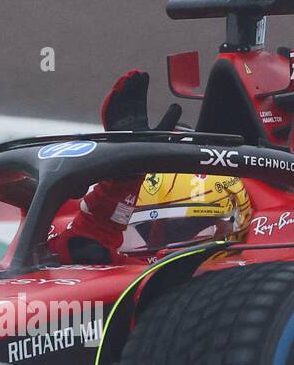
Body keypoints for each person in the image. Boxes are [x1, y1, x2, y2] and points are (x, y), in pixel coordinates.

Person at [47, 70, 252, 264]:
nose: (156, 249)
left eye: (180, 231)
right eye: (143, 231)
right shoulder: (128, 276)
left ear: (231, 222)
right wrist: (124, 179)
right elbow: (81, 250)